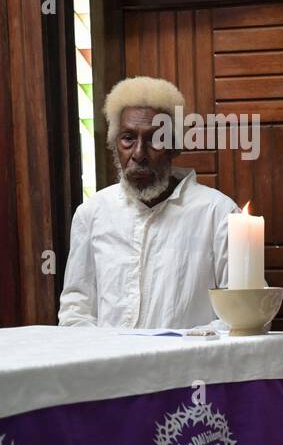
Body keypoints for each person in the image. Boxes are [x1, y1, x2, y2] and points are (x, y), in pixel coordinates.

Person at [58, 76, 240, 328]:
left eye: (155, 139)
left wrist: (181, 349)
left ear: (175, 146)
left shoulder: (218, 214)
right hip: (109, 365)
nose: (139, 154)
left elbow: (242, 316)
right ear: (114, 145)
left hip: (187, 365)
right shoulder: (92, 213)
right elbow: (76, 309)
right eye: (128, 138)